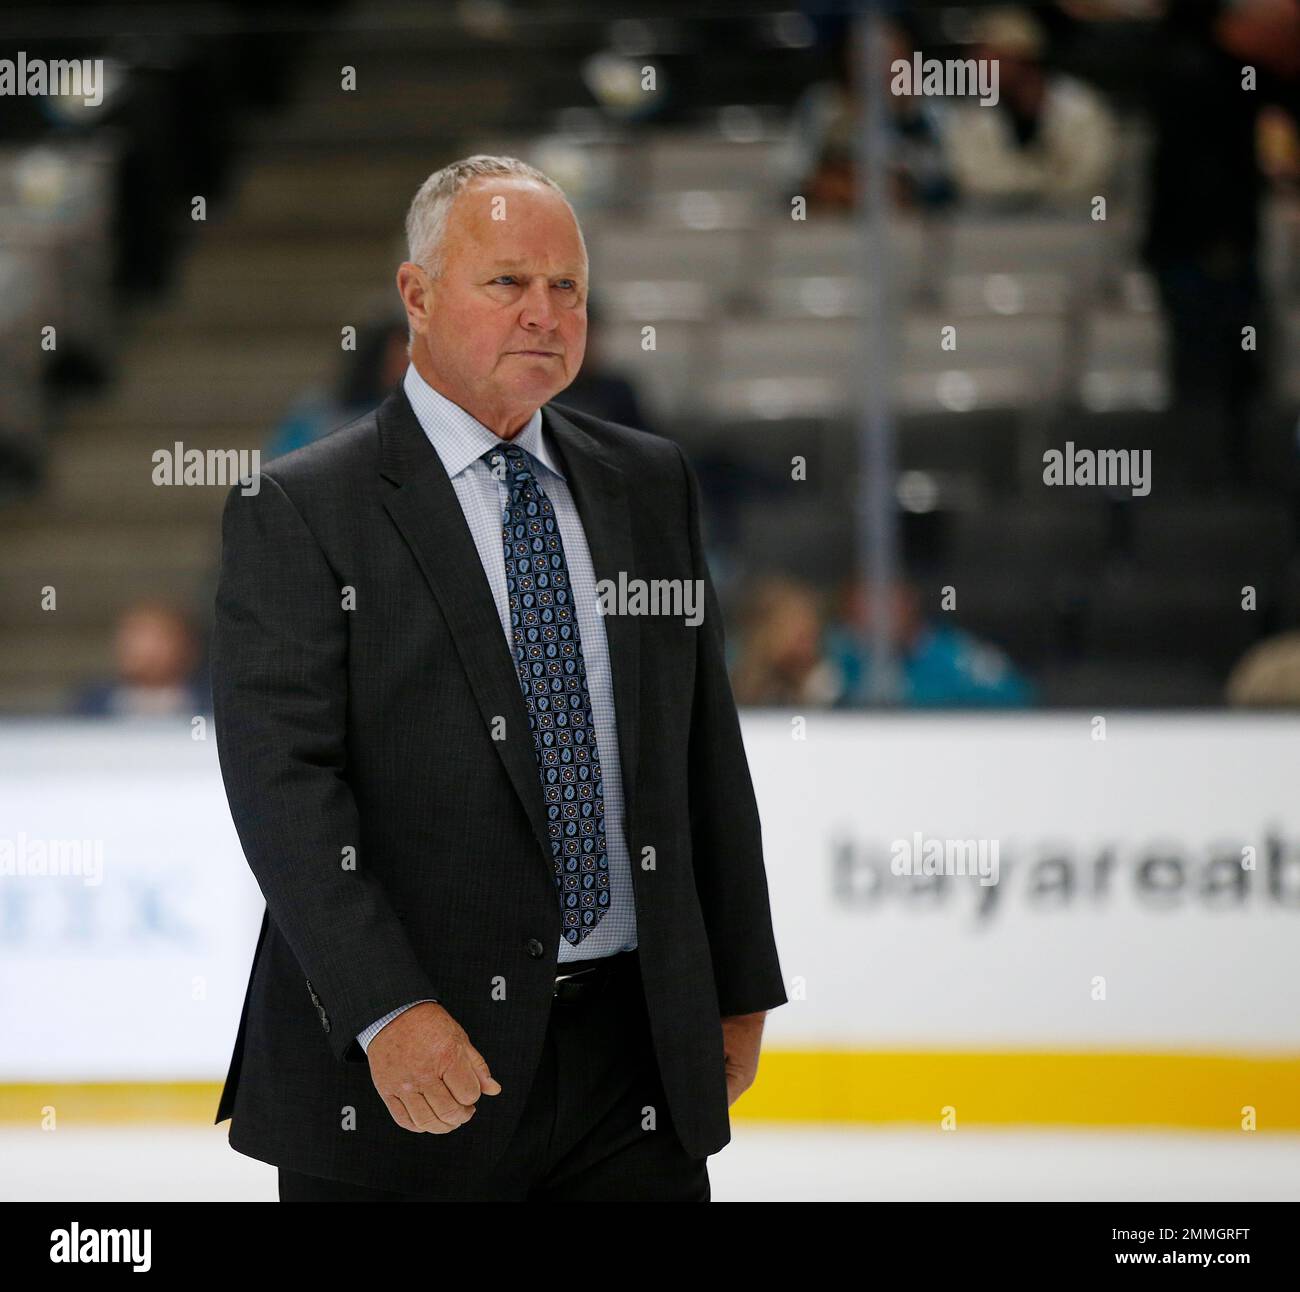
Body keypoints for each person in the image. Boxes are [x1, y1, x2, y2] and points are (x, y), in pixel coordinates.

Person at [210, 155, 787, 1202]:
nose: (545, 313)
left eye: (567, 287)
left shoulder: (648, 484)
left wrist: (738, 982)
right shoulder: (302, 508)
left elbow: (704, 747)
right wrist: (387, 1009)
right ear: (416, 296)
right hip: (409, 1075)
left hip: (630, 1063)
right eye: (507, 282)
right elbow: (281, 787)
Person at [72, 602, 209, 718]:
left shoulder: (211, 705)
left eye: (156, 638)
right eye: (133, 637)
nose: (144, 649)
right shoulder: (89, 705)